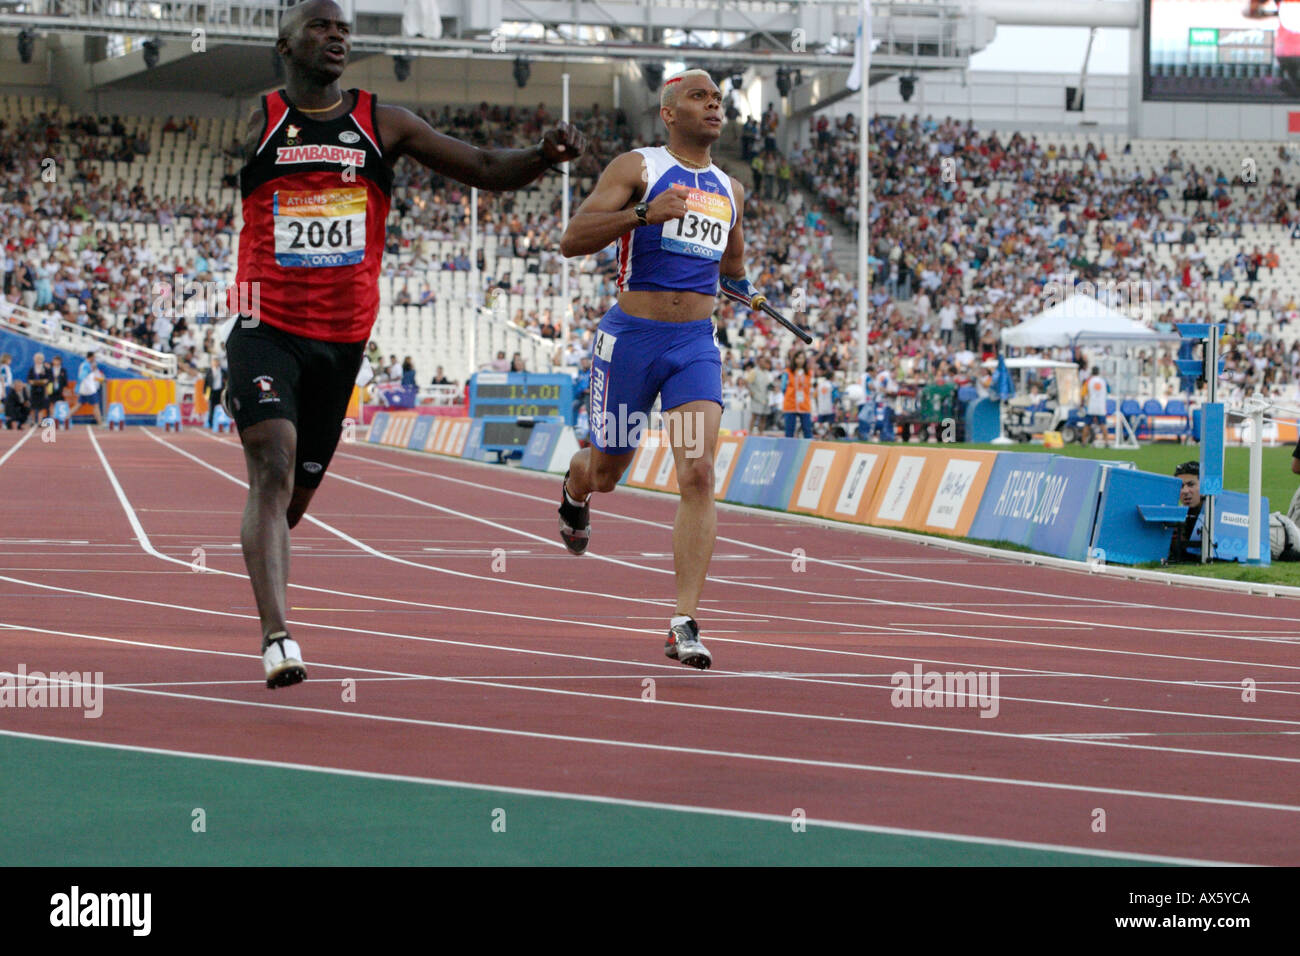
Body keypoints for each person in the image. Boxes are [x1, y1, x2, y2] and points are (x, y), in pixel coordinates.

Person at [220, 0, 585, 688]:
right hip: (260, 321)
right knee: (271, 462)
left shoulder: (383, 122)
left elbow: (481, 164)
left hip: (343, 335)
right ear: (286, 42)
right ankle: (278, 636)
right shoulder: (257, 118)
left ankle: (265, 552)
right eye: (321, 26)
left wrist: (540, 157)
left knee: (292, 497)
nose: (336, 36)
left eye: (343, 29)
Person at [556, 68, 754, 669]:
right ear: (669, 112)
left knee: (697, 472)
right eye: (700, 97)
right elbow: (572, 238)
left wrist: (750, 292)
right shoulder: (637, 167)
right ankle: (574, 486)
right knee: (607, 472)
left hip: (693, 347)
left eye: (719, 99)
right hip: (632, 342)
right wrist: (645, 214)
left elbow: (733, 264)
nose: (714, 106)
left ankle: (684, 621)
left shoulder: (730, 189)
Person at [1168, 461, 1204, 564]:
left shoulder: (1218, 514)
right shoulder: (1176, 518)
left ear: (1204, 485)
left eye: (1191, 485)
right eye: (1181, 486)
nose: (1185, 491)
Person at [781, 349, 814, 438]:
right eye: (798, 358)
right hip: (790, 404)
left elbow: (811, 387)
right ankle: (788, 449)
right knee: (789, 431)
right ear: (794, 359)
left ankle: (809, 450)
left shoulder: (809, 373)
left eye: (802, 358)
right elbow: (783, 388)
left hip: (804, 404)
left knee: (807, 430)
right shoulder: (788, 372)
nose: (800, 360)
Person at [743, 354, 772, 434]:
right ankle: (750, 433)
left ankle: (761, 433)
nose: (763, 363)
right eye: (762, 361)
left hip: (765, 397)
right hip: (756, 397)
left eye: (764, 362)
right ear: (758, 362)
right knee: (754, 416)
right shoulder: (754, 371)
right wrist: (751, 392)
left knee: (764, 417)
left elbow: (768, 384)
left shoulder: (767, 372)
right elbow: (746, 382)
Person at [76, 352, 105, 425]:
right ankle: (100, 423)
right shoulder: (86, 365)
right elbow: (82, 377)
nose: (95, 358)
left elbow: (89, 376)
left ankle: (66, 418)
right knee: (96, 406)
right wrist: (78, 387)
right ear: (91, 357)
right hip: (89, 389)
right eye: (94, 357)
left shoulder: (86, 365)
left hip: (86, 389)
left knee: (78, 405)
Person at [1083, 365, 1108, 444]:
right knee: (1103, 425)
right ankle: (1106, 442)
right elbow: (1108, 391)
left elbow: (1083, 393)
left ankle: (1083, 442)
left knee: (1087, 424)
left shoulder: (1089, 381)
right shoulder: (1103, 381)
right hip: (1101, 405)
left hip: (1092, 405)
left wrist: (1082, 403)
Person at [27, 352, 52, 424]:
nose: (38, 360)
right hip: (34, 389)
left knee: (41, 406)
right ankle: (33, 421)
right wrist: (31, 381)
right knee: (33, 406)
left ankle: (40, 421)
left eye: (40, 359)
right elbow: (28, 378)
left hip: (42, 389)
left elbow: (50, 378)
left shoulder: (46, 369)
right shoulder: (32, 369)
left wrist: (45, 381)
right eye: (37, 359)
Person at [203, 355, 226, 428]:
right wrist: (205, 394)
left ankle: (222, 422)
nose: (216, 363)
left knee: (222, 407)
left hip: (220, 391)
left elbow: (227, 379)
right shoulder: (209, 372)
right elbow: (206, 384)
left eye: (217, 361)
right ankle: (211, 423)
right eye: (214, 362)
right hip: (212, 391)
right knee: (212, 408)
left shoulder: (222, 371)